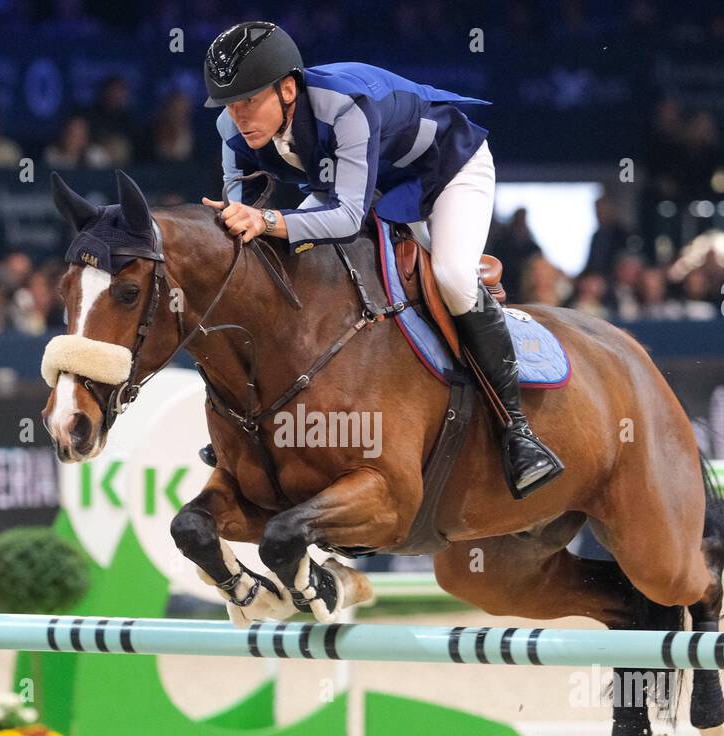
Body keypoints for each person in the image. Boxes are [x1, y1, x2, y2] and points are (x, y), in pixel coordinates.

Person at [199, 22, 561, 496]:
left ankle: (518, 432)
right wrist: (247, 227)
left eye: (249, 100)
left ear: (288, 88)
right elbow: (241, 224)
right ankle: (255, 415)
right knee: (278, 265)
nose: (238, 115)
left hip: (446, 173)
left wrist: (267, 222)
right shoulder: (232, 129)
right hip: (361, 186)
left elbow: (347, 218)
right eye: (230, 103)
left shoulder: (345, 106)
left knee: (452, 277)